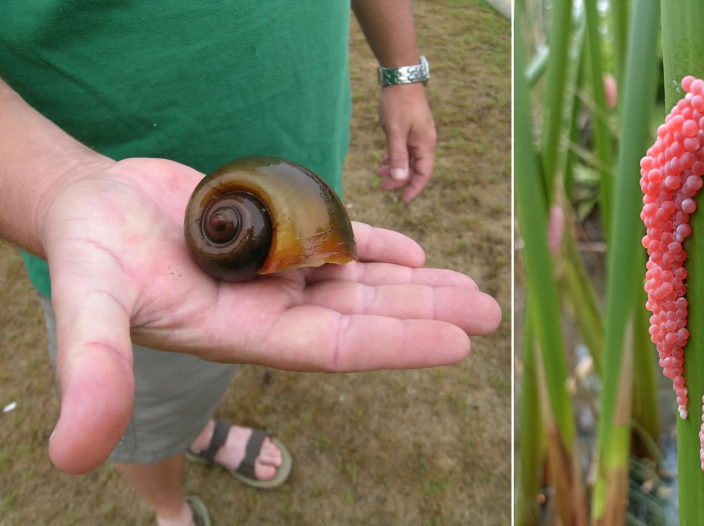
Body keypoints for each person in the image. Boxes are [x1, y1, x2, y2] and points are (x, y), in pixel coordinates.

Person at [0, 2, 502, 525]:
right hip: (135, 245)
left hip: (295, 163)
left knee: (207, 372)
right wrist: (58, 185)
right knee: (147, 410)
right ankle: (170, 509)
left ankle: (195, 428)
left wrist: (403, 74)